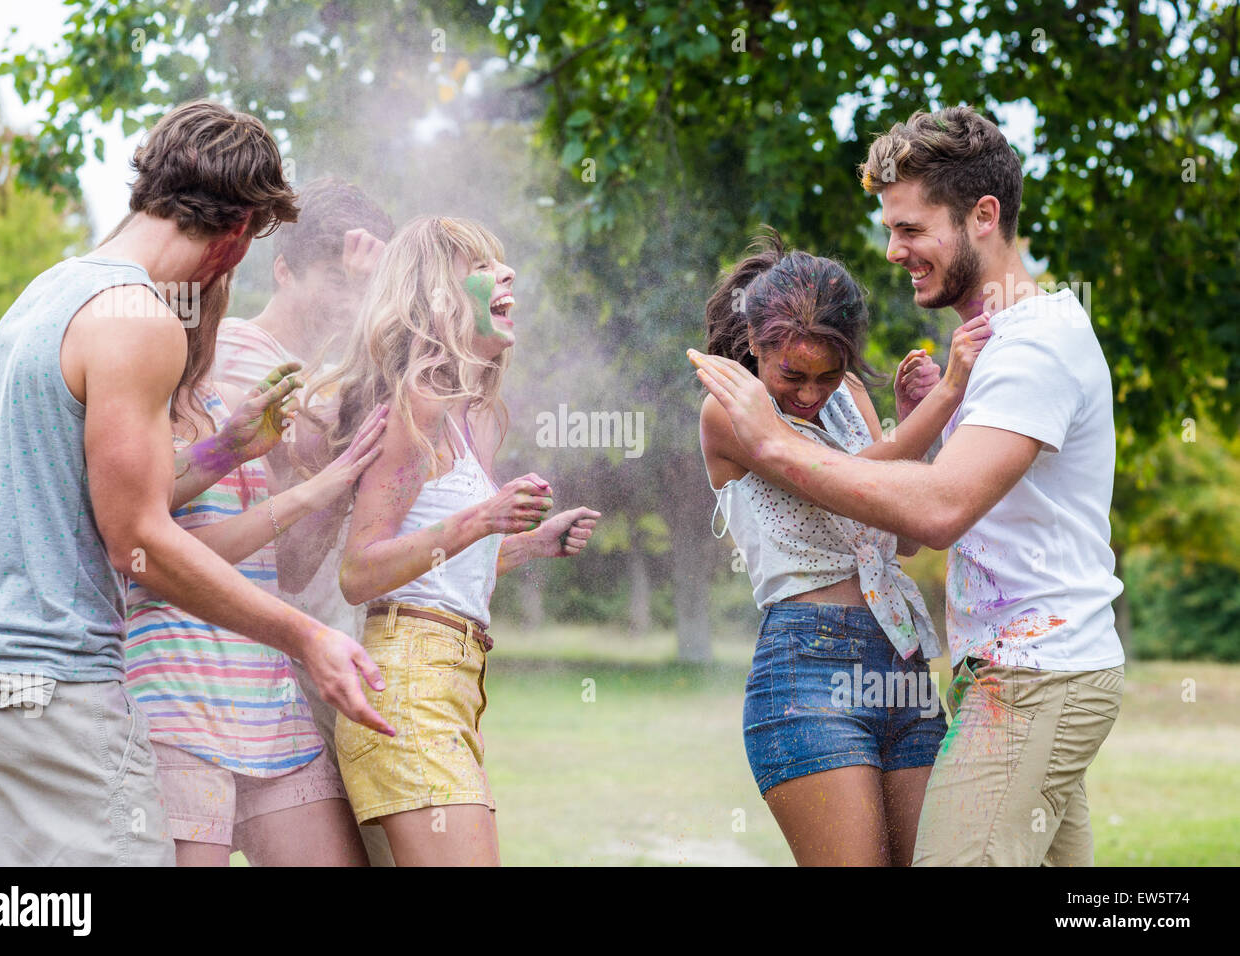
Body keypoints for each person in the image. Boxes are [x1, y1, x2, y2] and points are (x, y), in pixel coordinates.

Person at [0, 100, 390, 866]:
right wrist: (305, 635)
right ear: (239, 232)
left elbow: (97, 496)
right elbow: (137, 541)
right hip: (57, 683)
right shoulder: (137, 319)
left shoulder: (47, 295)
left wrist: (221, 452)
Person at [693, 106, 1125, 866]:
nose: (893, 251)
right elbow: (920, 505)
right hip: (997, 673)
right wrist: (934, 409)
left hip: (1034, 679)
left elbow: (941, 509)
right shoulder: (996, 349)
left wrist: (772, 441)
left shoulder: (1031, 345)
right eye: (889, 229)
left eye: (912, 228)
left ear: (983, 216)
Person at [307, 216, 600, 866]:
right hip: (410, 685)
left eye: (502, 261)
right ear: (440, 295)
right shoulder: (414, 413)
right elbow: (359, 572)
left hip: (451, 685)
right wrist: (484, 518)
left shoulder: (463, 419)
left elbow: (437, 566)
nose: (508, 274)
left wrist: (530, 543)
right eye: (481, 266)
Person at [697, 229, 992, 865]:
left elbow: (905, 536)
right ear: (755, 343)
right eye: (791, 374)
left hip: (903, 665)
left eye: (828, 373)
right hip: (807, 667)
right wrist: (945, 397)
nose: (809, 392)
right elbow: (830, 484)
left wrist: (911, 420)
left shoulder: (852, 397)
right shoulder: (729, 411)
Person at [125, 270, 390, 866]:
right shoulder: (134, 407)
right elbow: (159, 557)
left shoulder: (221, 402)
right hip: (179, 702)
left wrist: (314, 463)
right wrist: (314, 489)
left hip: (271, 703)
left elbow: (280, 564)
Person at [212, 176, 398, 865]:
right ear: (282, 269)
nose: (352, 299)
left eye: (364, 285)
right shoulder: (234, 355)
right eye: (336, 277)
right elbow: (290, 558)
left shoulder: (344, 366)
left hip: (325, 653)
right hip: (264, 668)